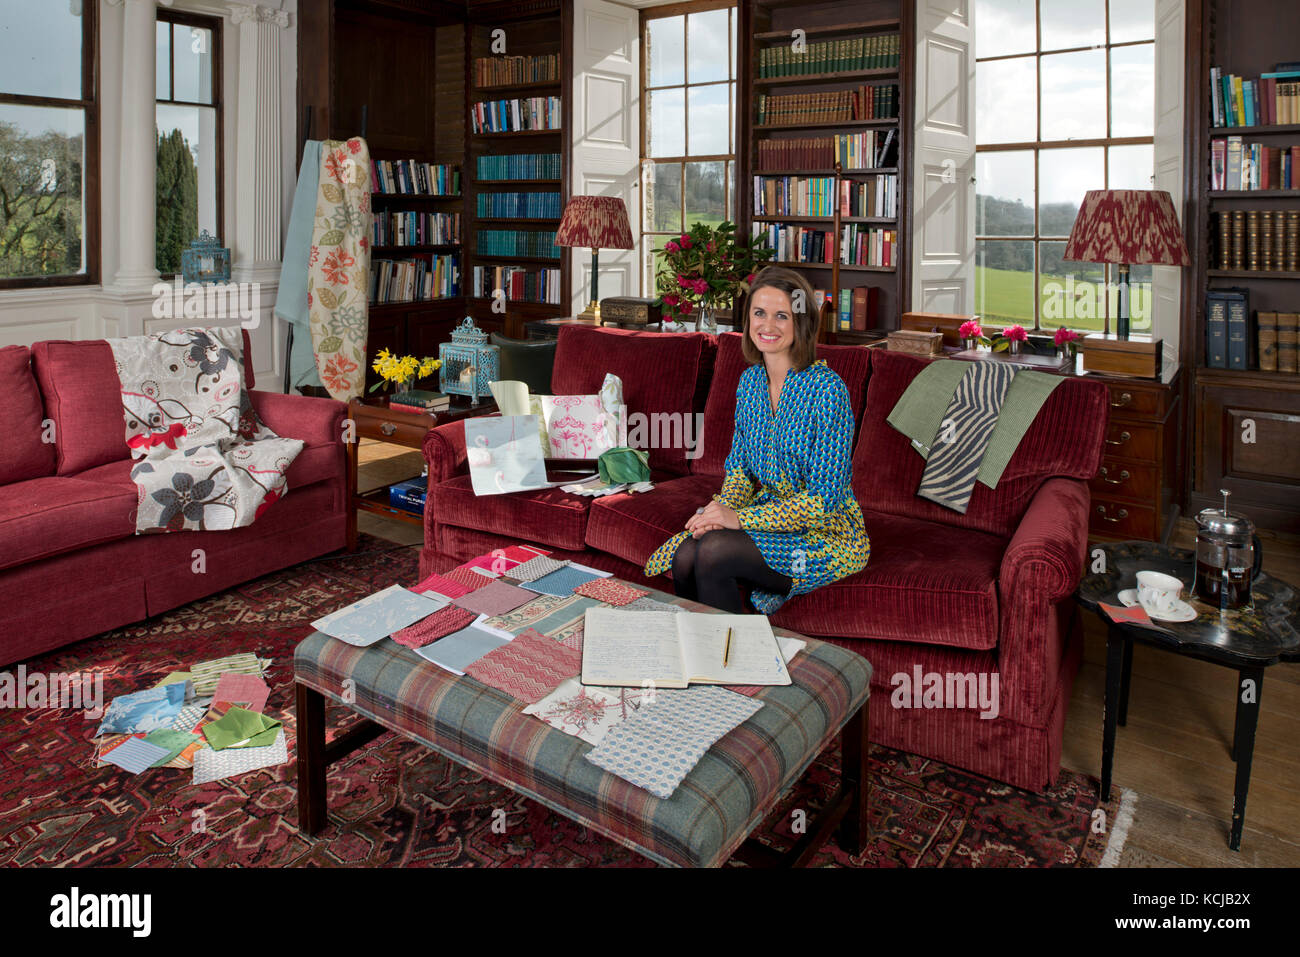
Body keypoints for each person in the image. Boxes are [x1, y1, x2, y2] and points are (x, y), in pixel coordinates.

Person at [643, 266, 870, 615]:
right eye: (759, 313)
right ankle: (699, 662)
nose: (767, 326)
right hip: (768, 517)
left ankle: (740, 666)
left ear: (801, 322)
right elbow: (740, 472)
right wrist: (720, 513)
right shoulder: (750, 382)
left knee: (715, 550)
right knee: (688, 552)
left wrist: (739, 520)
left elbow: (824, 501)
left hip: (828, 535)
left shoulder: (827, 389)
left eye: (781, 316)